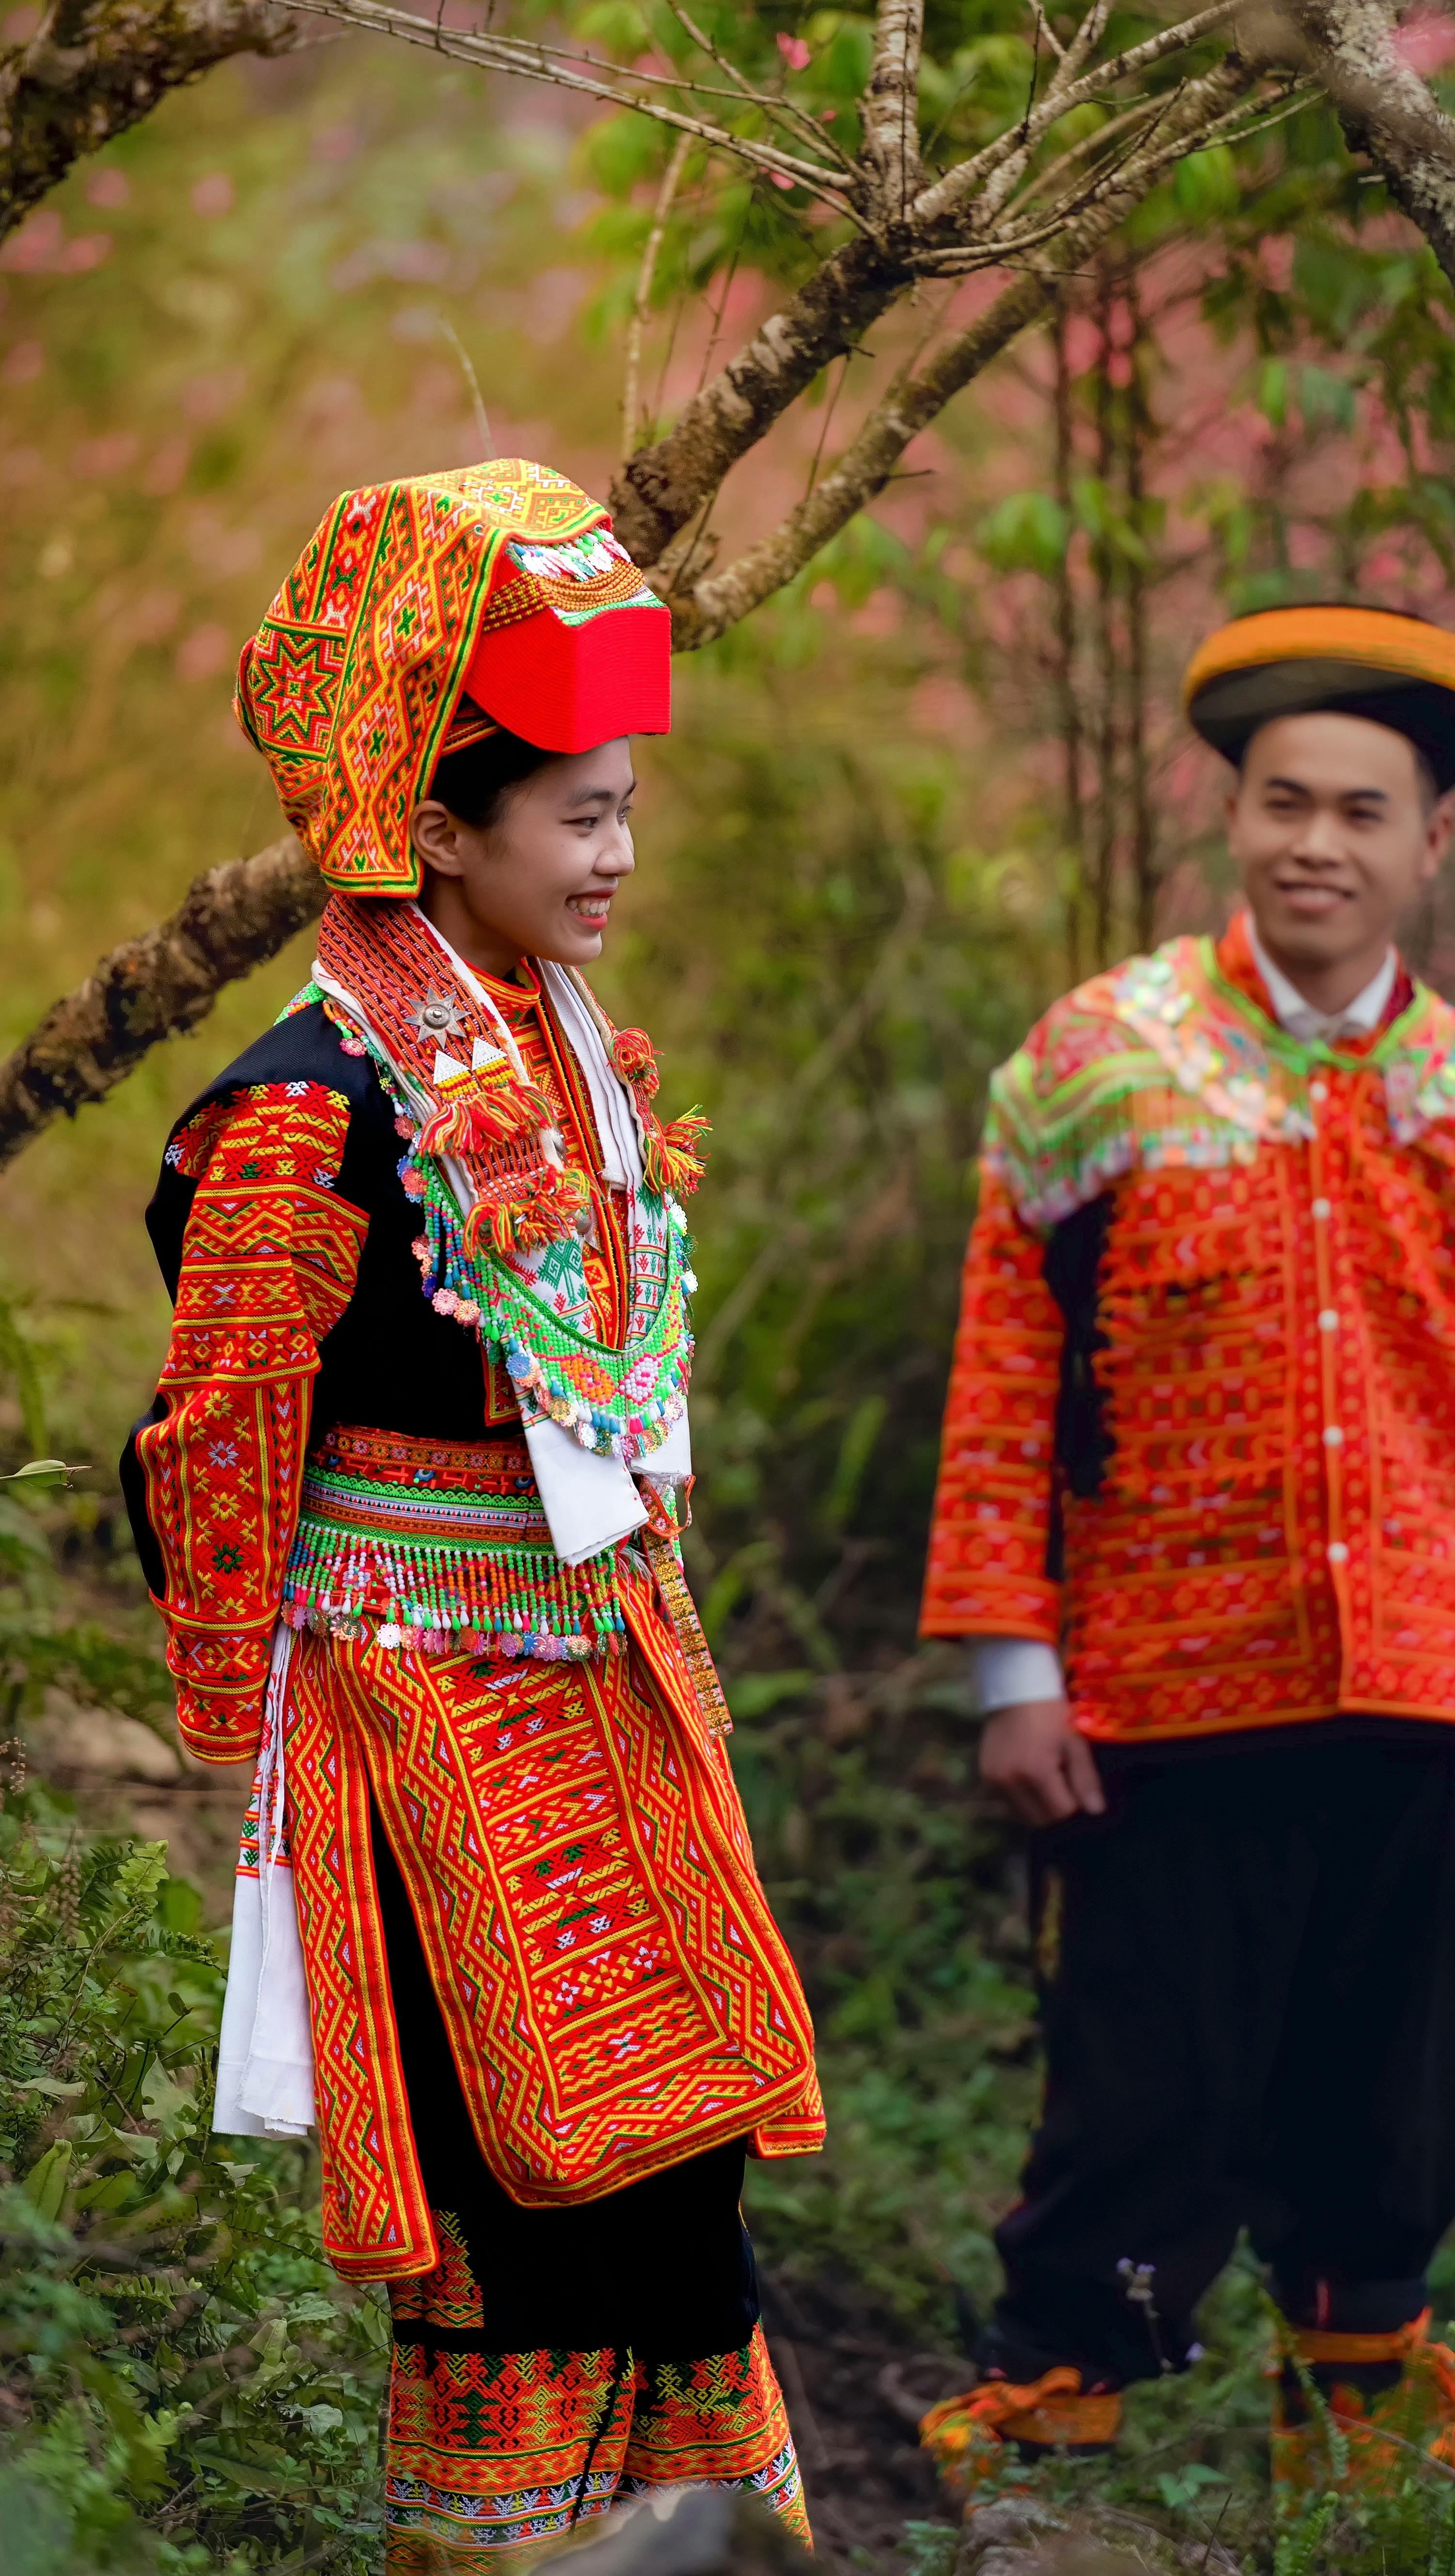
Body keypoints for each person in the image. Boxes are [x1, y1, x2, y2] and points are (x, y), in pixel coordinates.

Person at [121, 461, 823, 2570]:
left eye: (624, 807)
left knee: (684, 2159)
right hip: (419, 1727)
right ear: (438, 828)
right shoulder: (305, 1108)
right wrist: (249, 1729)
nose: (620, 854)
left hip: (609, 1698)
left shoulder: (562, 1058)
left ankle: (686, 2531)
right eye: (582, 814)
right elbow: (217, 1448)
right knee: (519, 2198)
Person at [915, 605, 1455, 2496]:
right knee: (1143, 2086)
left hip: (1422, 1696)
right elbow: (1002, 1383)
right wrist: (1015, 1670)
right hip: (1159, 1694)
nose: (1319, 842)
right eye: (1284, 802)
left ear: (1429, 843)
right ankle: (1048, 2439)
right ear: (1233, 815)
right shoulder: (1100, 1063)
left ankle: (1360, 2465)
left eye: (1361, 812)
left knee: (1384, 2109)